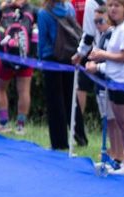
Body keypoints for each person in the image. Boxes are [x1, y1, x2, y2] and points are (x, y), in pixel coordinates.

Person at [87, 0, 124, 175]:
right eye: (110, 6)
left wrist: (102, 54)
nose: (113, 9)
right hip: (114, 81)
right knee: (121, 123)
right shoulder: (117, 29)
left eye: (117, 5)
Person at [0, 0, 37, 135]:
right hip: (26, 58)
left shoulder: (2, 6)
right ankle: (21, 126)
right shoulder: (32, 9)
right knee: (24, 91)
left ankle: (3, 124)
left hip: (5, 57)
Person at [38, 0, 76, 151]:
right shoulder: (69, 8)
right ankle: (79, 136)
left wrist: (41, 59)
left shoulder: (44, 13)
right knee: (70, 98)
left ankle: (58, 142)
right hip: (68, 56)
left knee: (55, 102)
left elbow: (42, 39)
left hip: (51, 58)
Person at [73, 5, 111, 149]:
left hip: (112, 80)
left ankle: (122, 156)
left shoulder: (113, 33)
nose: (97, 25)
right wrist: (81, 55)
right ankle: (109, 151)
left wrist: (98, 66)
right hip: (100, 77)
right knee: (106, 117)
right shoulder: (101, 34)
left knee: (118, 121)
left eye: (100, 21)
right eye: (95, 22)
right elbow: (88, 35)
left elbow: (122, 59)